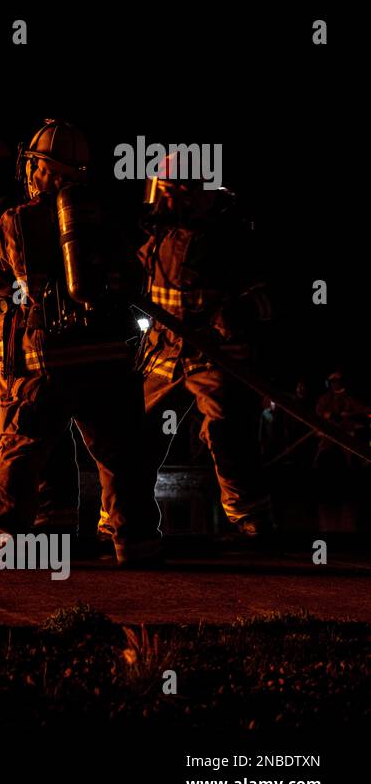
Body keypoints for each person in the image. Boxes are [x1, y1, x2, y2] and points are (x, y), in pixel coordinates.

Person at [0, 120, 161, 565]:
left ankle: (0, 541)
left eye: (33, 167)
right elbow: (139, 275)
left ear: (44, 171)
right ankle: (135, 542)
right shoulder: (106, 217)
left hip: (44, 358)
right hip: (108, 358)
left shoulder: (18, 220)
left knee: (20, 445)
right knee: (120, 454)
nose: (27, 175)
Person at [0, 132, 87, 541]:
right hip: (75, 348)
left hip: (32, 351)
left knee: (13, 435)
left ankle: (3, 536)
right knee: (54, 436)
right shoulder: (63, 215)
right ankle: (58, 523)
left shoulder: (8, 218)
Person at [138, 155, 274, 535]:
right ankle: (123, 520)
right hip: (163, 355)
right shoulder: (154, 238)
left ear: (190, 193)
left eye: (166, 191)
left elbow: (268, 300)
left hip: (214, 358)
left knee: (227, 434)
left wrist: (238, 312)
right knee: (133, 434)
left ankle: (250, 517)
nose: (159, 199)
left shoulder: (232, 239)